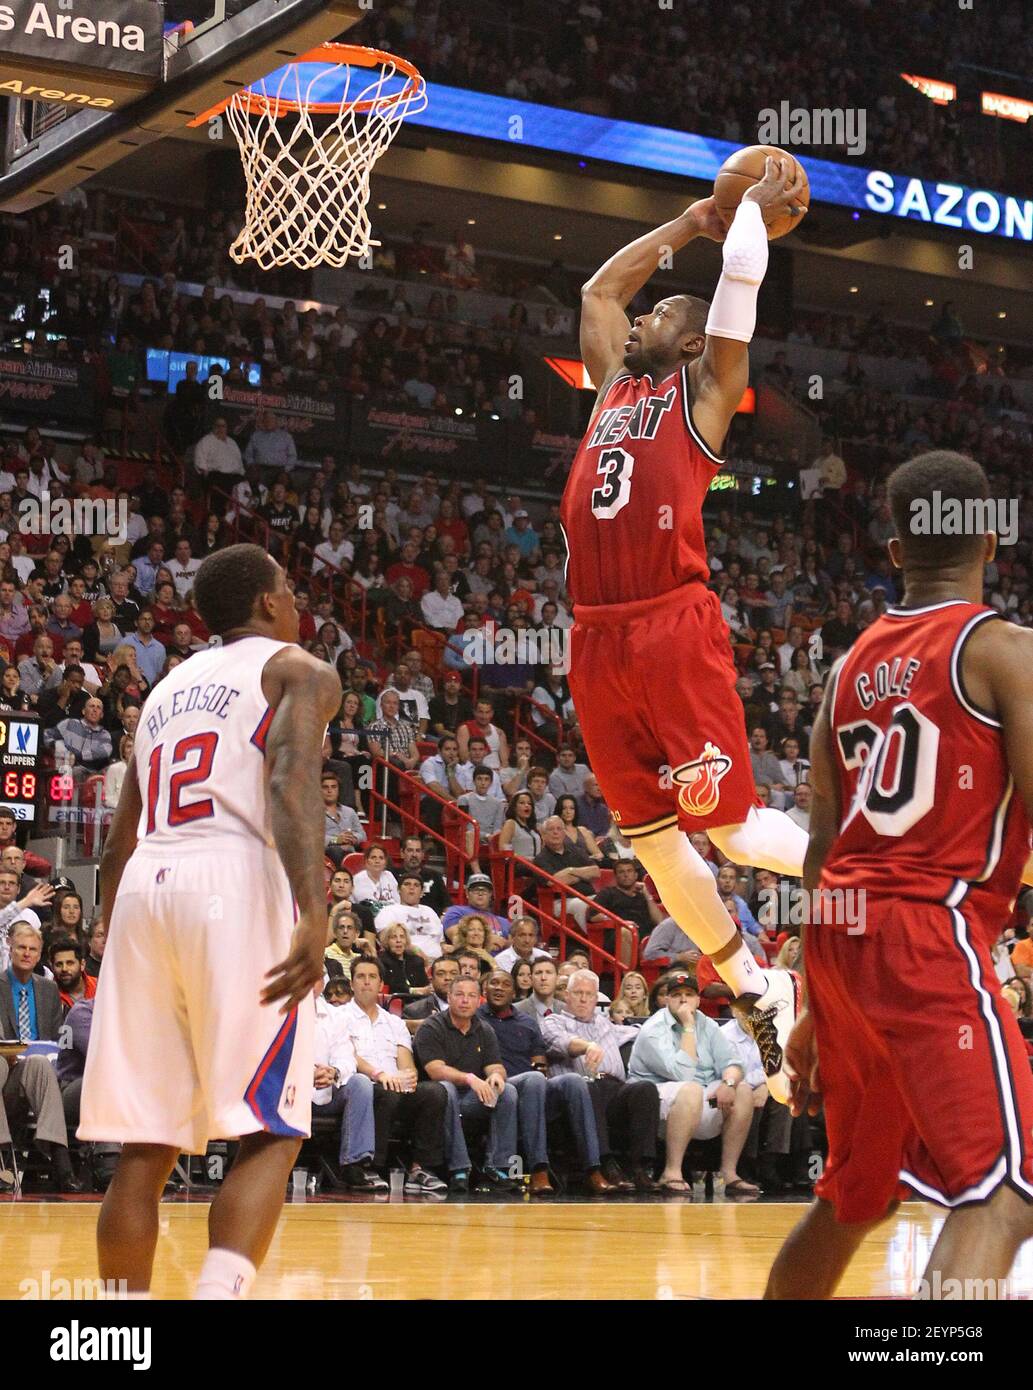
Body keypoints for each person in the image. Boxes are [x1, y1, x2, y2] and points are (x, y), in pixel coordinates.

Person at [562, 160, 808, 1099]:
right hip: (594, 636)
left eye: (660, 313)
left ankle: (877, 857)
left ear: (691, 337)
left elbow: (738, 287)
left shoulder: (701, 395)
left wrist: (744, 213)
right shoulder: (608, 392)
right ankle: (753, 986)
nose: (638, 320)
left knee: (736, 831)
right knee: (657, 844)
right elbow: (598, 287)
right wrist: (687, 220)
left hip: (669, 625)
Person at [766, 451, 1033, 1301]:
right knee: (1002, 1194)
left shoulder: (843, 674)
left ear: (893, 551)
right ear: (990, 542)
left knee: (857, 1198)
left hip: (841, 941)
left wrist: (811, 1007)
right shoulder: (1004, 651)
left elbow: (819, 854)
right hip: (927, 931)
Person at [79, 542, 341, 1300]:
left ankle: (116, 1335)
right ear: (267, 602)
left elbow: (118, 842)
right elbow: (292, 783)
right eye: (289, 587)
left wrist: (112, 931)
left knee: (147, 1144)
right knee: (272, 1128)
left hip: (143, 887)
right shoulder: (297, 668)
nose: (295, 601)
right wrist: (314, 911)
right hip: (232, 880)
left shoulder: (165, 689)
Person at [479, 969, 616, 1196]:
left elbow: (539, 1063)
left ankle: (593, 1169)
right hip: (498, 1086)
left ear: (515, 992)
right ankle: (538, 1169)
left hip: (533, 1085)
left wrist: (542, 1074)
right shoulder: (476, 1019)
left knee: (572, 1080)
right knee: (534, 1080)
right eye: (494, 983)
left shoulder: (527, 1022)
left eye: (505, 984)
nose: (499, 988)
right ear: (485, 989)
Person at [628, 971, 757, 1195]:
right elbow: (683, 1073)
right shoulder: (654, 1029)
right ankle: (672, 1171)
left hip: (700, 1100)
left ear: (698, 1000)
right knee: (691, 1089)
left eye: (689, 994)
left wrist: (728, 1083)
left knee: (743, 1090)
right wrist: (688, 1026)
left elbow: (734, 1063)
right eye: (677, 995)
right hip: (657, 1105)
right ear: (666, 1000)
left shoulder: (707, 1025)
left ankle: (728, 1173)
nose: (683, 1000)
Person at [542, 969, 660, 1192]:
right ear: (566, 995)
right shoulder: (554, 1021)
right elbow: (561, 1043)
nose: (584, 998)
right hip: (576, 1094)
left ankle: (639, 1167)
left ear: (597, 999)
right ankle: (605, 1164)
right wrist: (587, 1046)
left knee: (645, 1089)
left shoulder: (605, 1024)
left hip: (613, 1089)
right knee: (589, 1086)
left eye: (589, 994)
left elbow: (637, 1031)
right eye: (578, 993)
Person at [342, 959, 448, 1193]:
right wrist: (381, 1076)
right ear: (351, 983)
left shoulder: (394, 1022)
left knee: (434, 1092)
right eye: (361, 976)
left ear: (381, 984)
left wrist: (407, 1077)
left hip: (395, 1085)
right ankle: (371, 1166)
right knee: (384, 1092)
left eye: (372, 977)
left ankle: (420, 1168)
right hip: (362, 1085)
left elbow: (406, 1062)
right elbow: (348, 1055)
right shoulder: (340, 1017)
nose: (367, 981)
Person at [412, 975, 521, 1193]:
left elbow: (494, 1066)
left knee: (507, 1091)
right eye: (460, 995)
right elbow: (435, 1071)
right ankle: (459, 1168)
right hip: (436, 1099)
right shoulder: (432, 1027)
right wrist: (471, 1078)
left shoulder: (484, 1029)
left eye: (471, 996)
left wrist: (496, 1077)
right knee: (447, 1088)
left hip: (471, 1099)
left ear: (479, 1000)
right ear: (449, 998)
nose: (465, 1001)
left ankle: (498, 1167)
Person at [0, 918, 82, 1189]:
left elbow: (56, 1039)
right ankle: (2, 1159)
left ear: (39, 954)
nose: (26, 953)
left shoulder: (48, 989)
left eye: (32, 949)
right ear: (10, 948)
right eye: (21, 947)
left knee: (39, 1063)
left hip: (37, 1073)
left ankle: (61, 1163)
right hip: (4, 1075)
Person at [311, 984, 384, 1191]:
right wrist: (306, 1074)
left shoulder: (336, 1017)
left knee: (360, 1083)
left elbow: (347, 1058)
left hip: (326, 1091)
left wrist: (334, 1072)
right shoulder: (279, 1012)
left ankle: (354, 1163)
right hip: (289, 1092)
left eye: (316, 978)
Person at [373, 872, 445, 961]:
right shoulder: (389, 911)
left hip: (438, 961)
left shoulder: (430, 911)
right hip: (408, 960)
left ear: (422, 891)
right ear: (399, 889)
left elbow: (441, 942)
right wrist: (416, 951)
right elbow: (385, 940)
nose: (411, 887)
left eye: (416, 885)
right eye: (407, 884)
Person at [402, 955, 459, 1030]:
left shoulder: (473, 1008)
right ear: (431, 979)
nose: (448, 978)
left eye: (453, 973)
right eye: (441, 974)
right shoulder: (414, 1011)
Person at [377, 924, 431, 999]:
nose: (398, 940)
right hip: (395, 1002)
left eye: (402, 937)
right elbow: (391, 987)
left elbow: (425, 985)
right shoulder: (381, 961)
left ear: (406, 940)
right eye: (393, 937)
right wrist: (413, 991)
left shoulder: (416, 961)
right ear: (387, 941)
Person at [515, 956, 562, 1021]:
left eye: (548, 972)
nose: (543, 977)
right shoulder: (516, 1010)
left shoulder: (567, 1011)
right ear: (531, 978)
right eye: (538, 973)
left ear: (557, 978)